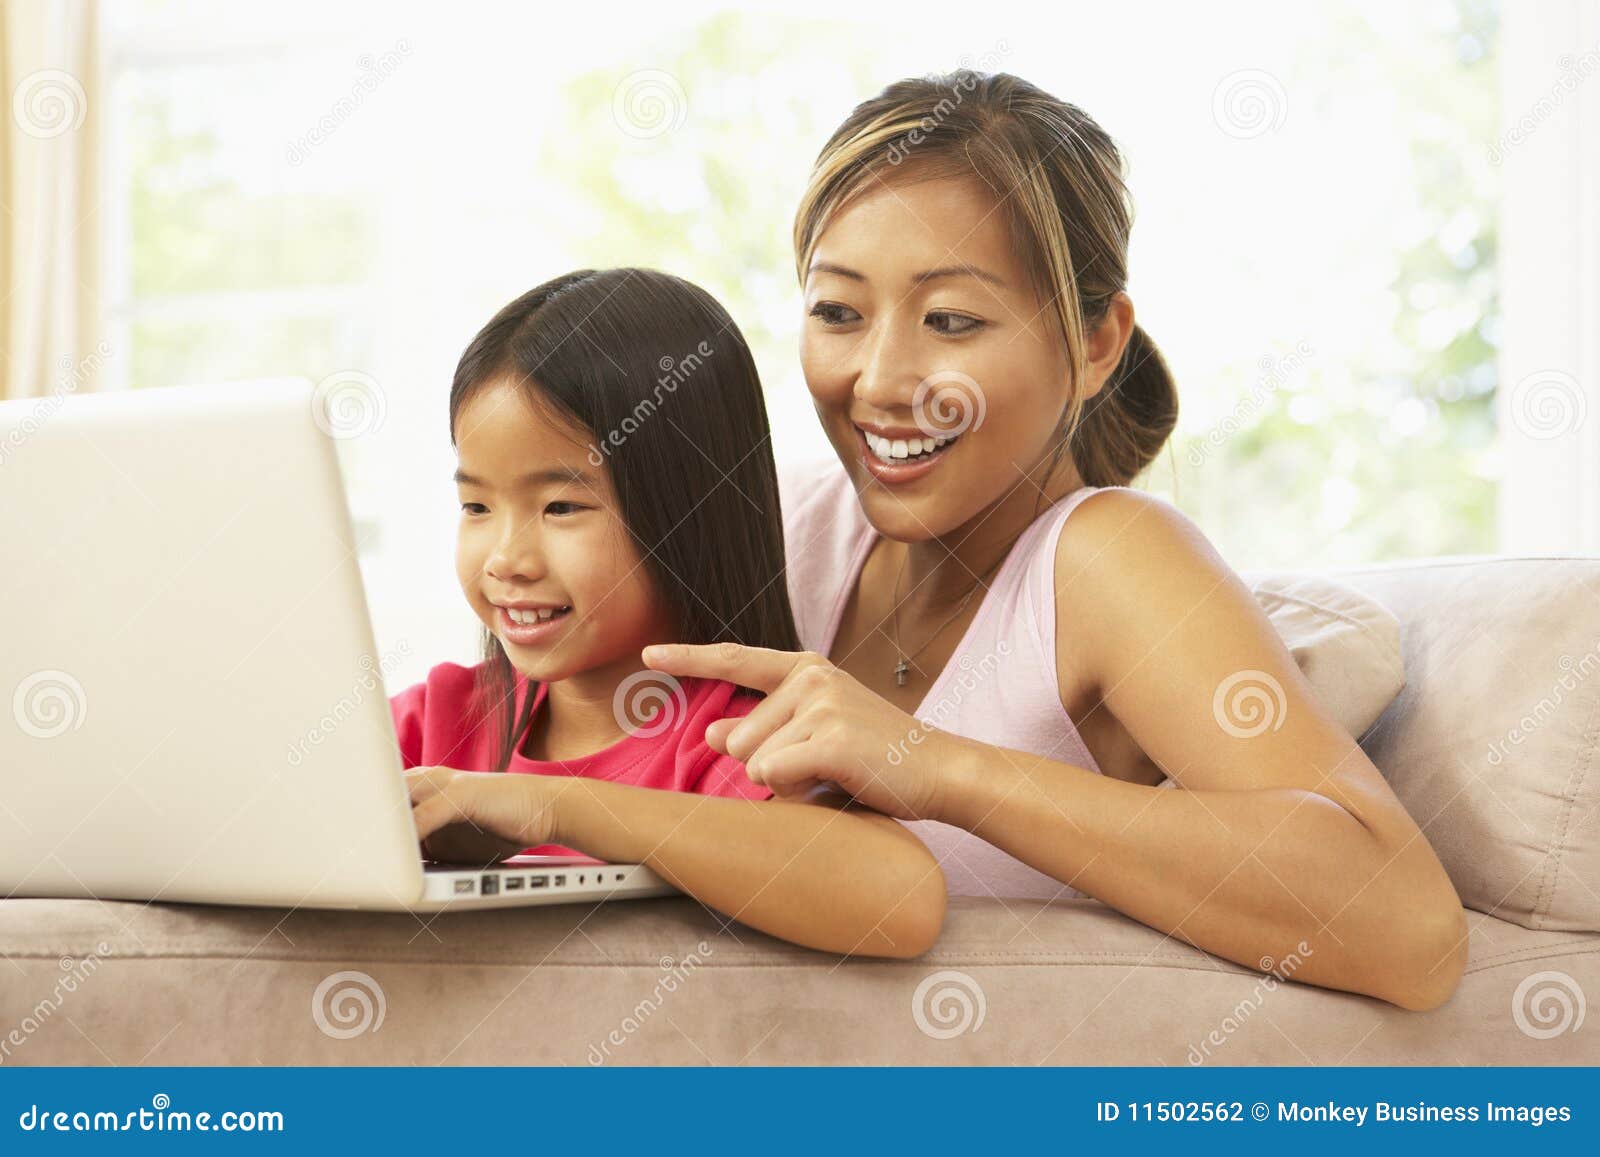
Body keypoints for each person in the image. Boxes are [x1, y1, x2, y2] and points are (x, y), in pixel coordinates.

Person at [643, 72, 1467, 1009]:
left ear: (1098, 341)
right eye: (838, 312)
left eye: (952, 320)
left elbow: (1411, 932)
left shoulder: (1105, 561)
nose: (878, 380)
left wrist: (933, 765)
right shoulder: (788, 522)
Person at [393, 268, 946, 959]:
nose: (506, 558)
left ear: (689, 514)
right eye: (476, 505)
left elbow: (901, 897)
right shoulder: (436, 721)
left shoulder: (734, 740)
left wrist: (557, 808)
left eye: (560, 506)